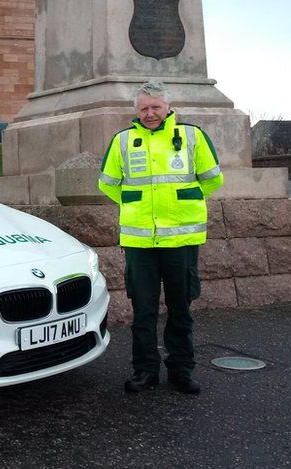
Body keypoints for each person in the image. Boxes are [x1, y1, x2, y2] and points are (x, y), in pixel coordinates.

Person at [98, 80, 223, 395]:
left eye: (155, 107)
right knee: (143, 311)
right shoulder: (123, 141)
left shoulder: (191, 136)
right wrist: (134, 203)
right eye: (144, 108)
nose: (150, 113)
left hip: (181, 241)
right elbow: (107, 183)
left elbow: (212, 179)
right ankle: (145, 370)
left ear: (168, 107)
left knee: (181, 309)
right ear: (136, 111)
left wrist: (185, 200)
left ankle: (181, 370)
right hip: (140, 243)